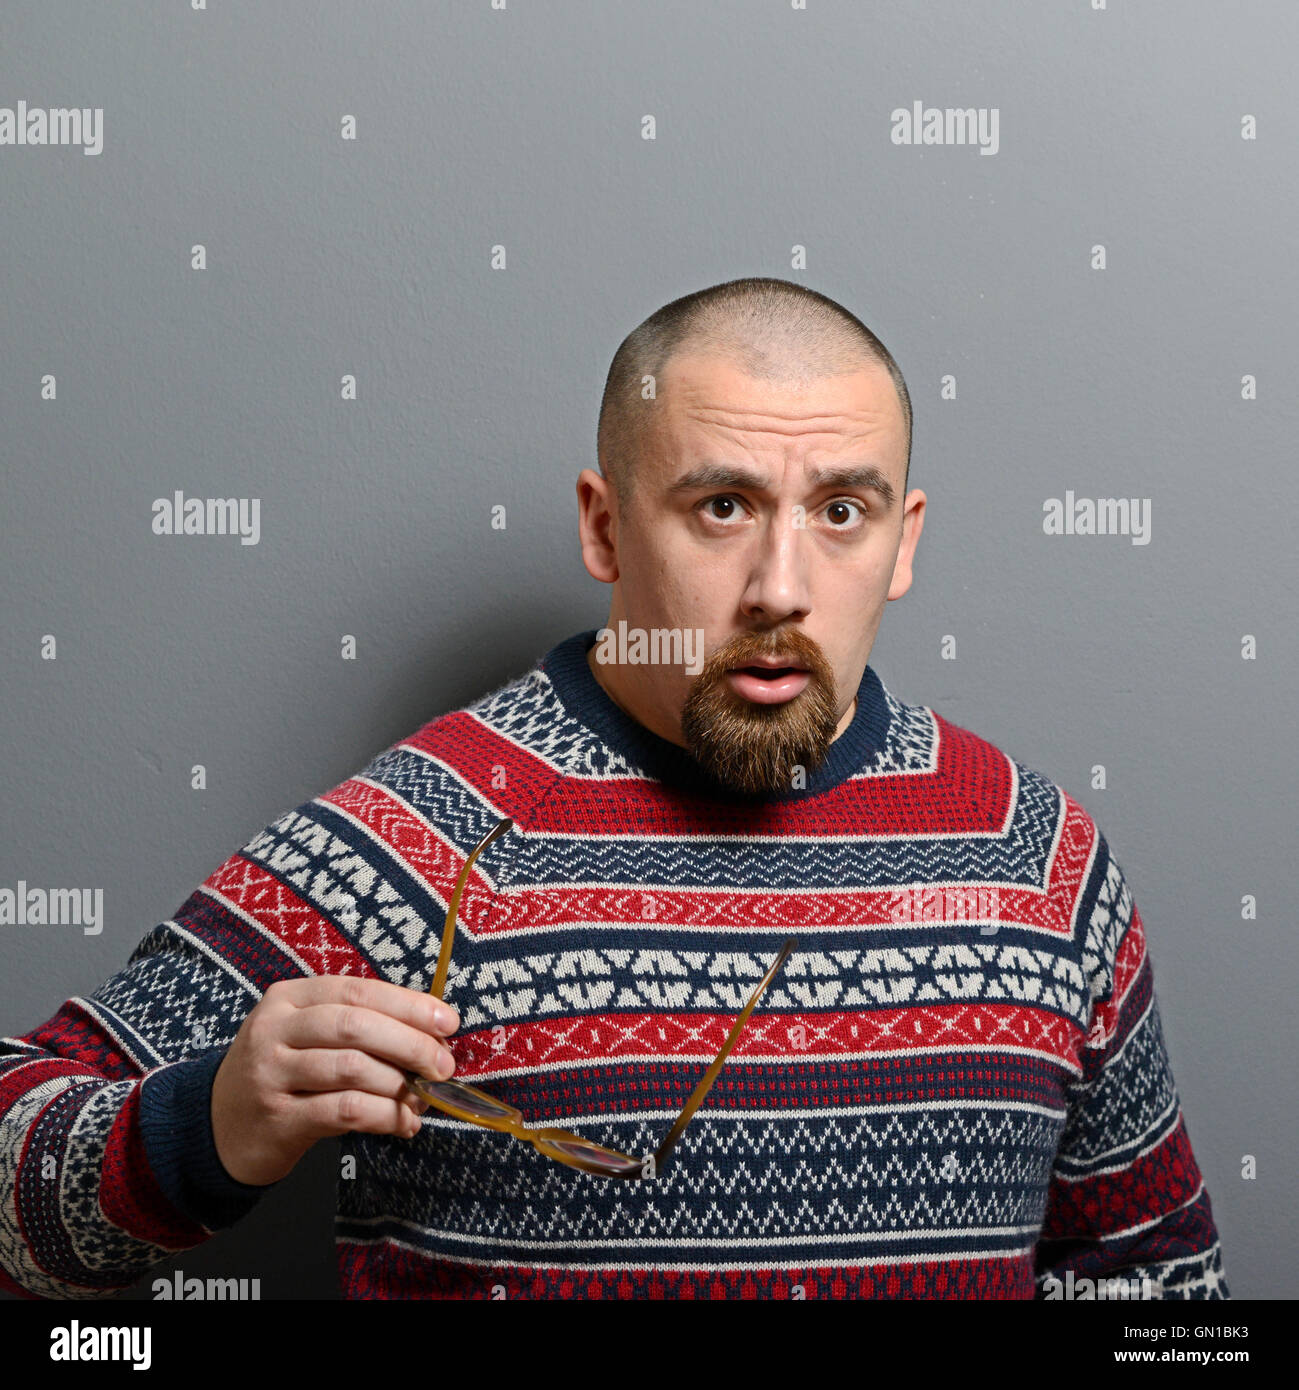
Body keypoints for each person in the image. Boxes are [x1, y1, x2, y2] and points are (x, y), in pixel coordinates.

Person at [0, 276, 1228, 1299]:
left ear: (902, 542)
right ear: (605, 528)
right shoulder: (427, 832)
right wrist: (204, 1127)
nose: (779, 586)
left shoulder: (1040, 855)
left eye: (840, 511)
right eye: (721, 506)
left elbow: (1164, 1288)